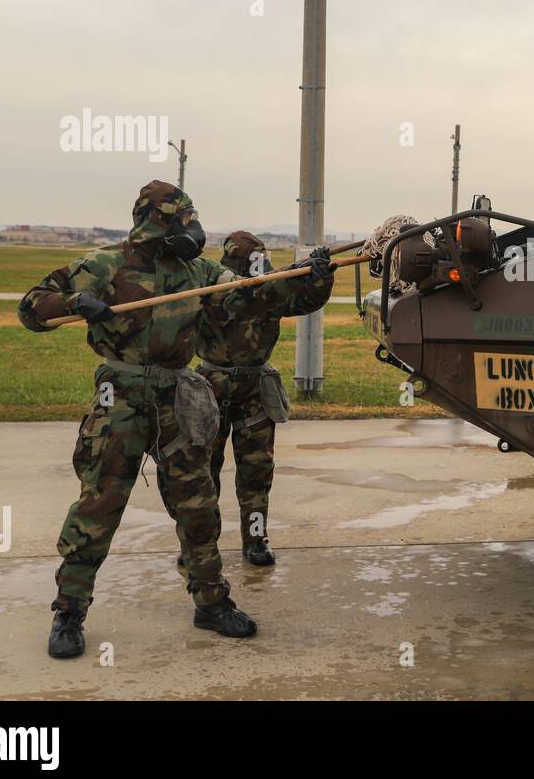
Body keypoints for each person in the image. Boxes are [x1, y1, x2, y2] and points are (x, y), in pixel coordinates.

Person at [17, 180, 332, 658]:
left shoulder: (200, 271)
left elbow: (253, 297)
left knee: (197, 505)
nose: (193, 227)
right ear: (158, 222)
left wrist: (310, 278)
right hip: (119, 398)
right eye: (184, 218)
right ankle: (69, 612)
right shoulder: (106, 264)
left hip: (176, 398)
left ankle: (211, 602)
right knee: (99, 506)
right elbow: (31, 307)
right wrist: (74, 304)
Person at [188, 231, 334, 568]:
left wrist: (319, 279)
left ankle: (255, 540)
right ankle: (197, 545)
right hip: (211, 386)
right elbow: (245, 295)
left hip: (255, 386)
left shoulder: (269, 292)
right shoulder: (214, 290)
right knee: (202, 471)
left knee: (256, 470)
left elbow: (304, 302)